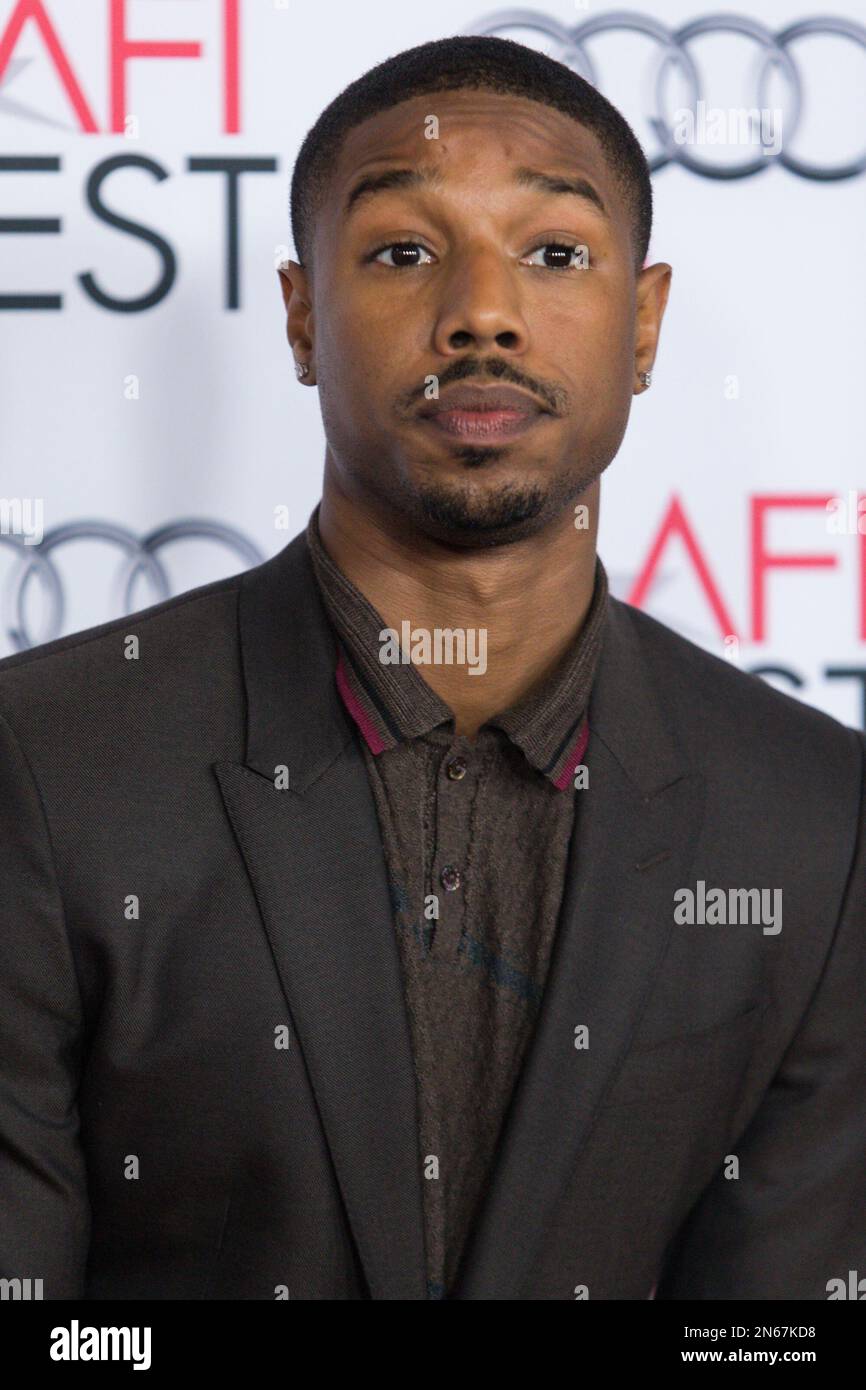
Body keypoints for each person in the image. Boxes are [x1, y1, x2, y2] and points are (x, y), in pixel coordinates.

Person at [0, 35, 863, 1302]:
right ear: (302, 316)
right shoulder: (47, 760)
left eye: (553, 252)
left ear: (643, 324)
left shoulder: (814, 820)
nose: (482, 313)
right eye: (403, 251)